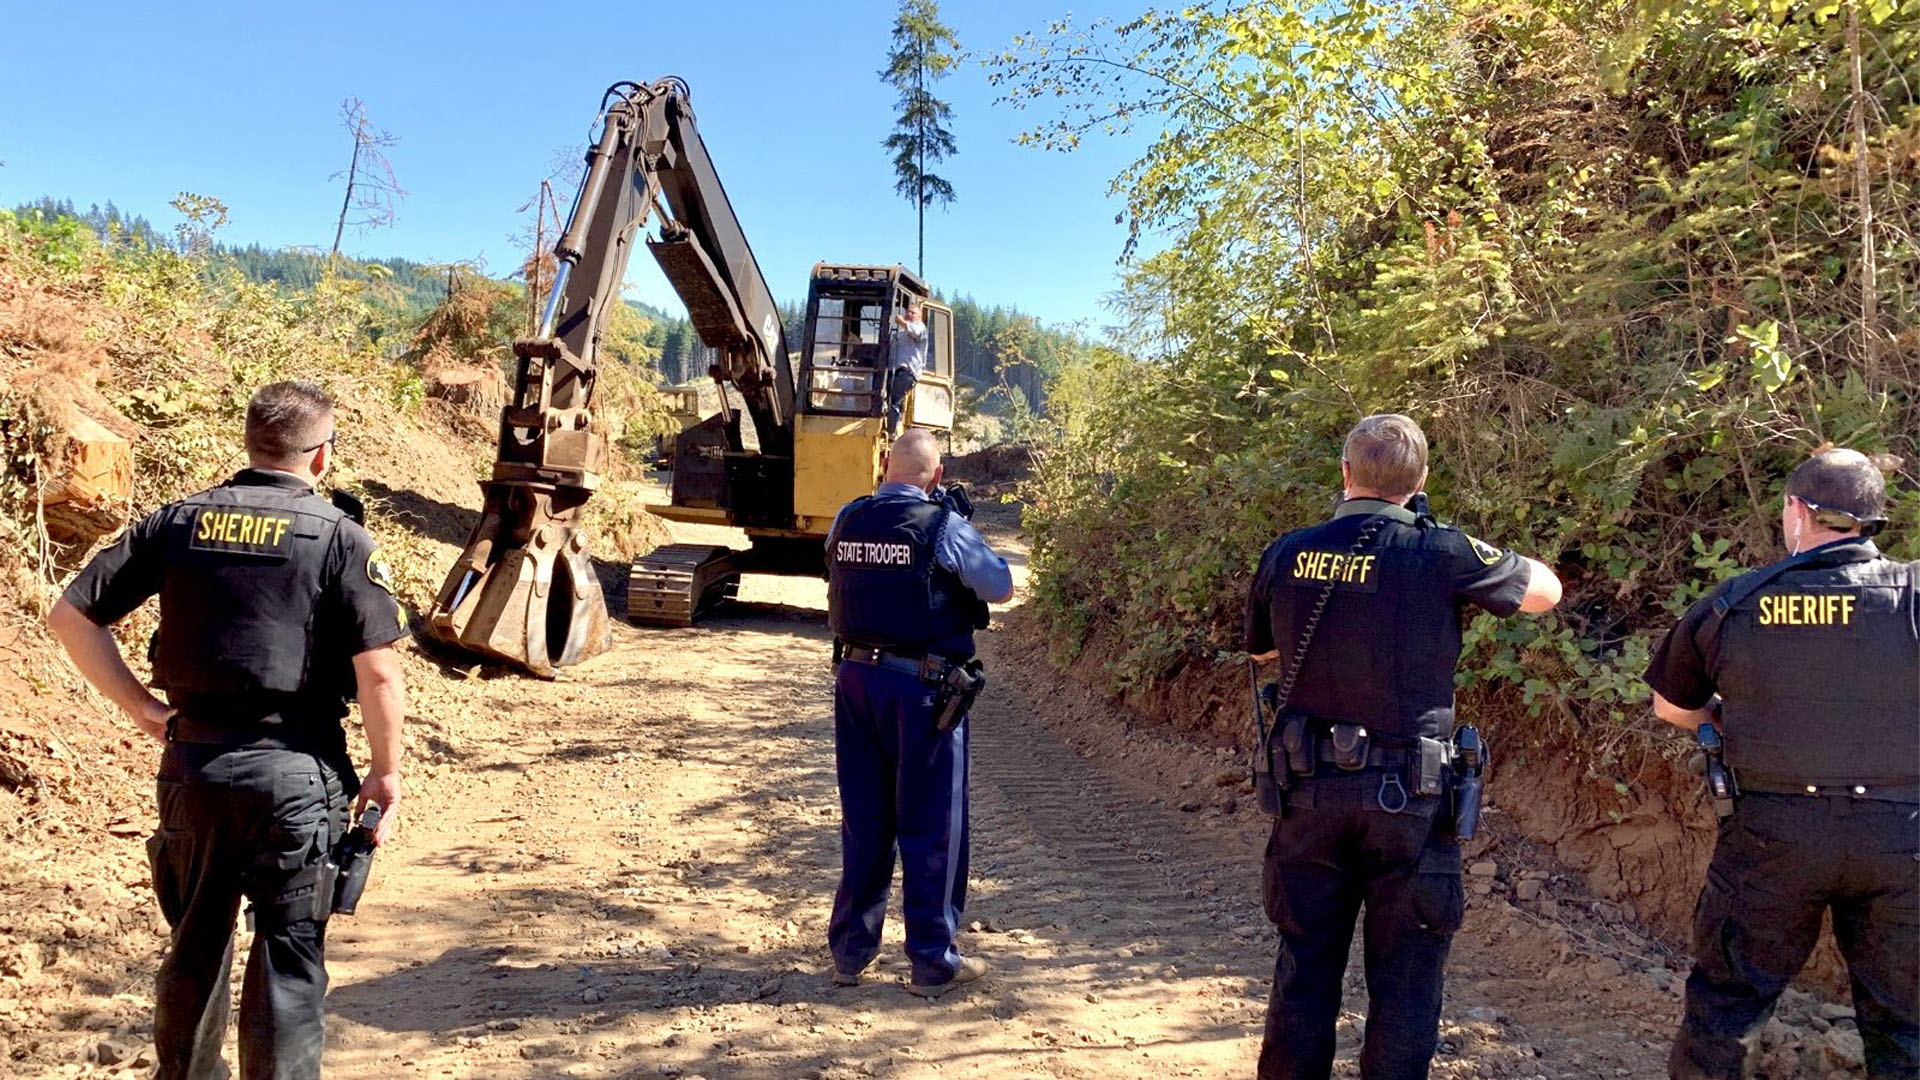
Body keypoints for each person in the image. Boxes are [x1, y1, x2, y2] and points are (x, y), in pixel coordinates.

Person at [47, 381, 408, 1080]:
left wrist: (144, 711)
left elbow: (71, 616)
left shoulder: (177, 521)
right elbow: (380, 676)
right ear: (322, 456)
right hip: (298, 778)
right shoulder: (339, 536)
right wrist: (387, 772)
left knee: (195, 950)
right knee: (288, 958)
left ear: (250, 442)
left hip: (195, 770)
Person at [1244, 413, 1562, 1080]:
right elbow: (1544, 593)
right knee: (1408, 981)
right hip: (1408, 803)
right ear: (1420, 481)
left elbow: (1263, 648)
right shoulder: (1442, 550)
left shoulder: (1289, 550)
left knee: (1303, 969)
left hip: (1309, 791)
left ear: (1345, 474)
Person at [1645, 448, 1917, 1080]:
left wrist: (1722, 715)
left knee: (1728, 1009)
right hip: (1903, 838)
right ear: (1869, 523)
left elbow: (1669, 706)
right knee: (1905, 1024)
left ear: (1797, 511)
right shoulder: (1913, 594)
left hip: (1772, 837)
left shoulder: (1734, 603)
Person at [824, 428, 1013, 997]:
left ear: (884, 466)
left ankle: (851, 956)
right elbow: (999, 586)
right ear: (935, 477)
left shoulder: (847, 518)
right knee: (932, 823)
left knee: (865, 819)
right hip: (924, 691)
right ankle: (933, 962)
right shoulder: (942, 527)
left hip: (854, 681)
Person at [886, 297, 928, 436]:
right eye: (908, 312)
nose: (909, 315)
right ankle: (890, 425)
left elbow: (915, 332)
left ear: (919, 316)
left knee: (895, 399)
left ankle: (892, 432)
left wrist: (901, 321)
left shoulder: (920, 328)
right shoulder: (901, 334)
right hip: (894, 371)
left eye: (913, 313)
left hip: (907, 372)